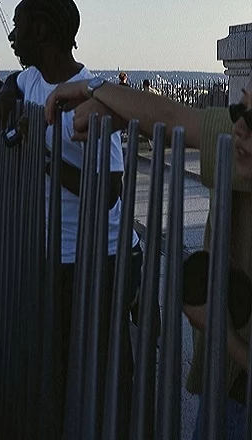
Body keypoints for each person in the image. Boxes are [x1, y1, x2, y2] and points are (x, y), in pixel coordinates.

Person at [48, 72, 252, 437]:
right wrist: (106, 101)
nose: (237, 127)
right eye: (239, 109)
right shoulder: (242, 142)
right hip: (227, 387)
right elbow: (172, 117)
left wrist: (228, 339)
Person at [0, 0, 139, 432]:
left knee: (101, 376)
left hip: (97, 259)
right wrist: (5, 95)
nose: (11, 36)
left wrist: (43, 159)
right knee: (56, 369)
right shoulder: (31, 80)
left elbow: (110, 191)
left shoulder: (91, 101)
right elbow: (15, 81)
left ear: (42, 30)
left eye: (18, 26)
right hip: (57, 253)